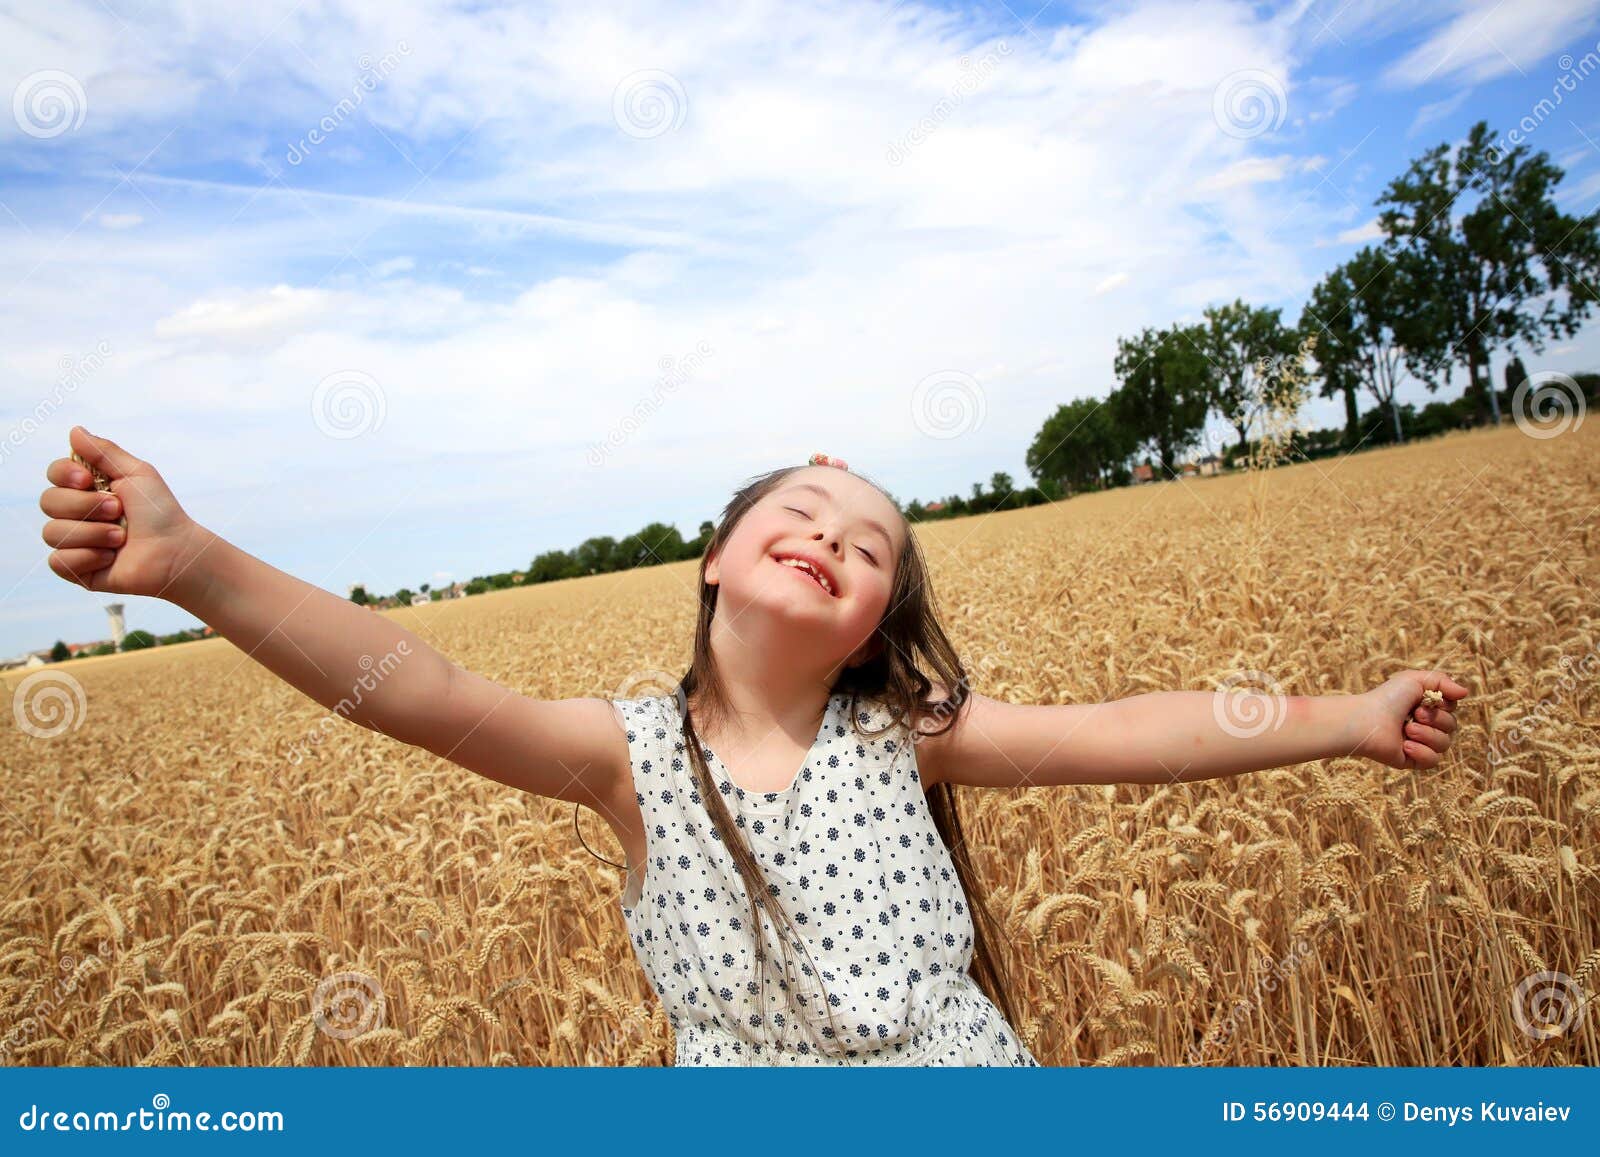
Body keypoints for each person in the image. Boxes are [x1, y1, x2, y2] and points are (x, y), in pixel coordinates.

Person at [37, 428, 1467, 1066]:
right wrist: (193, 565)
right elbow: (410, 679)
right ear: (716, 556)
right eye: (801, 508)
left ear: (868, 630)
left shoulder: (910, 739)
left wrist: (1344, 719)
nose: (831, 537)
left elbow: (1127, 730)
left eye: (866, 548)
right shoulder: (628, 755)